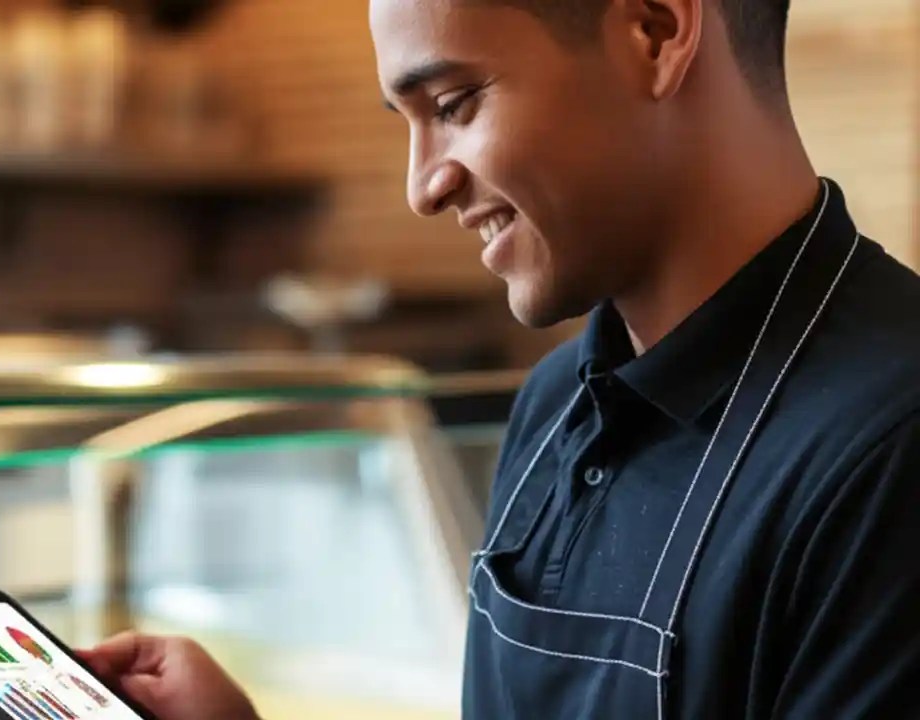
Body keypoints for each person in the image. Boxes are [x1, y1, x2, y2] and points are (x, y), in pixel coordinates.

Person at [78, 0, 920, 717]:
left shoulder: (890, 449)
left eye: (453, 102)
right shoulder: (554, 403)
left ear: (656, 33)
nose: (421, 186)